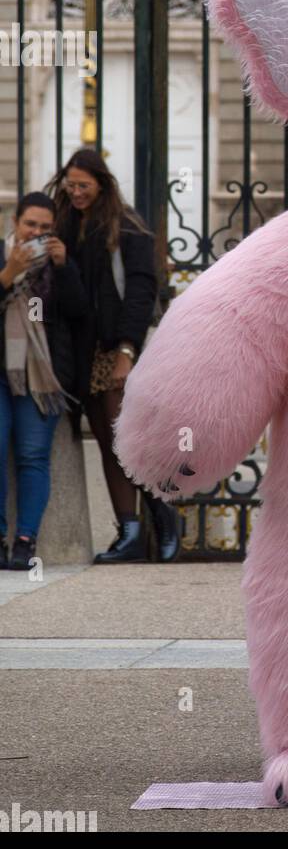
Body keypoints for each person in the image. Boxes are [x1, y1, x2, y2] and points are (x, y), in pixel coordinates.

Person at [47, 149, 178, 563]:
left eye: (84, 185)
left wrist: (126, 350)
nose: (77, 192)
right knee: (106, 442)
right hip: (80, 352)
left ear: (102, 184)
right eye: (71, 185)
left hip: (114, 347)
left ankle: (162, 512)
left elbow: (141, 291)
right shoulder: (63, 222)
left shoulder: (127, 225)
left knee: (124, 441)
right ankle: (130, 532)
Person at [0, 192, 87, 570]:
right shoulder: (2, 256)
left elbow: (79, 312)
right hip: (1, 373)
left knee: (33, 456)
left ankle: (24, 540)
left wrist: (64, 266)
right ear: (15, 223)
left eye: (44, 228)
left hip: (41, 377)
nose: (36, 233)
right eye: (30, 225)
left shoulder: (59, 265)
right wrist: (8, 273)